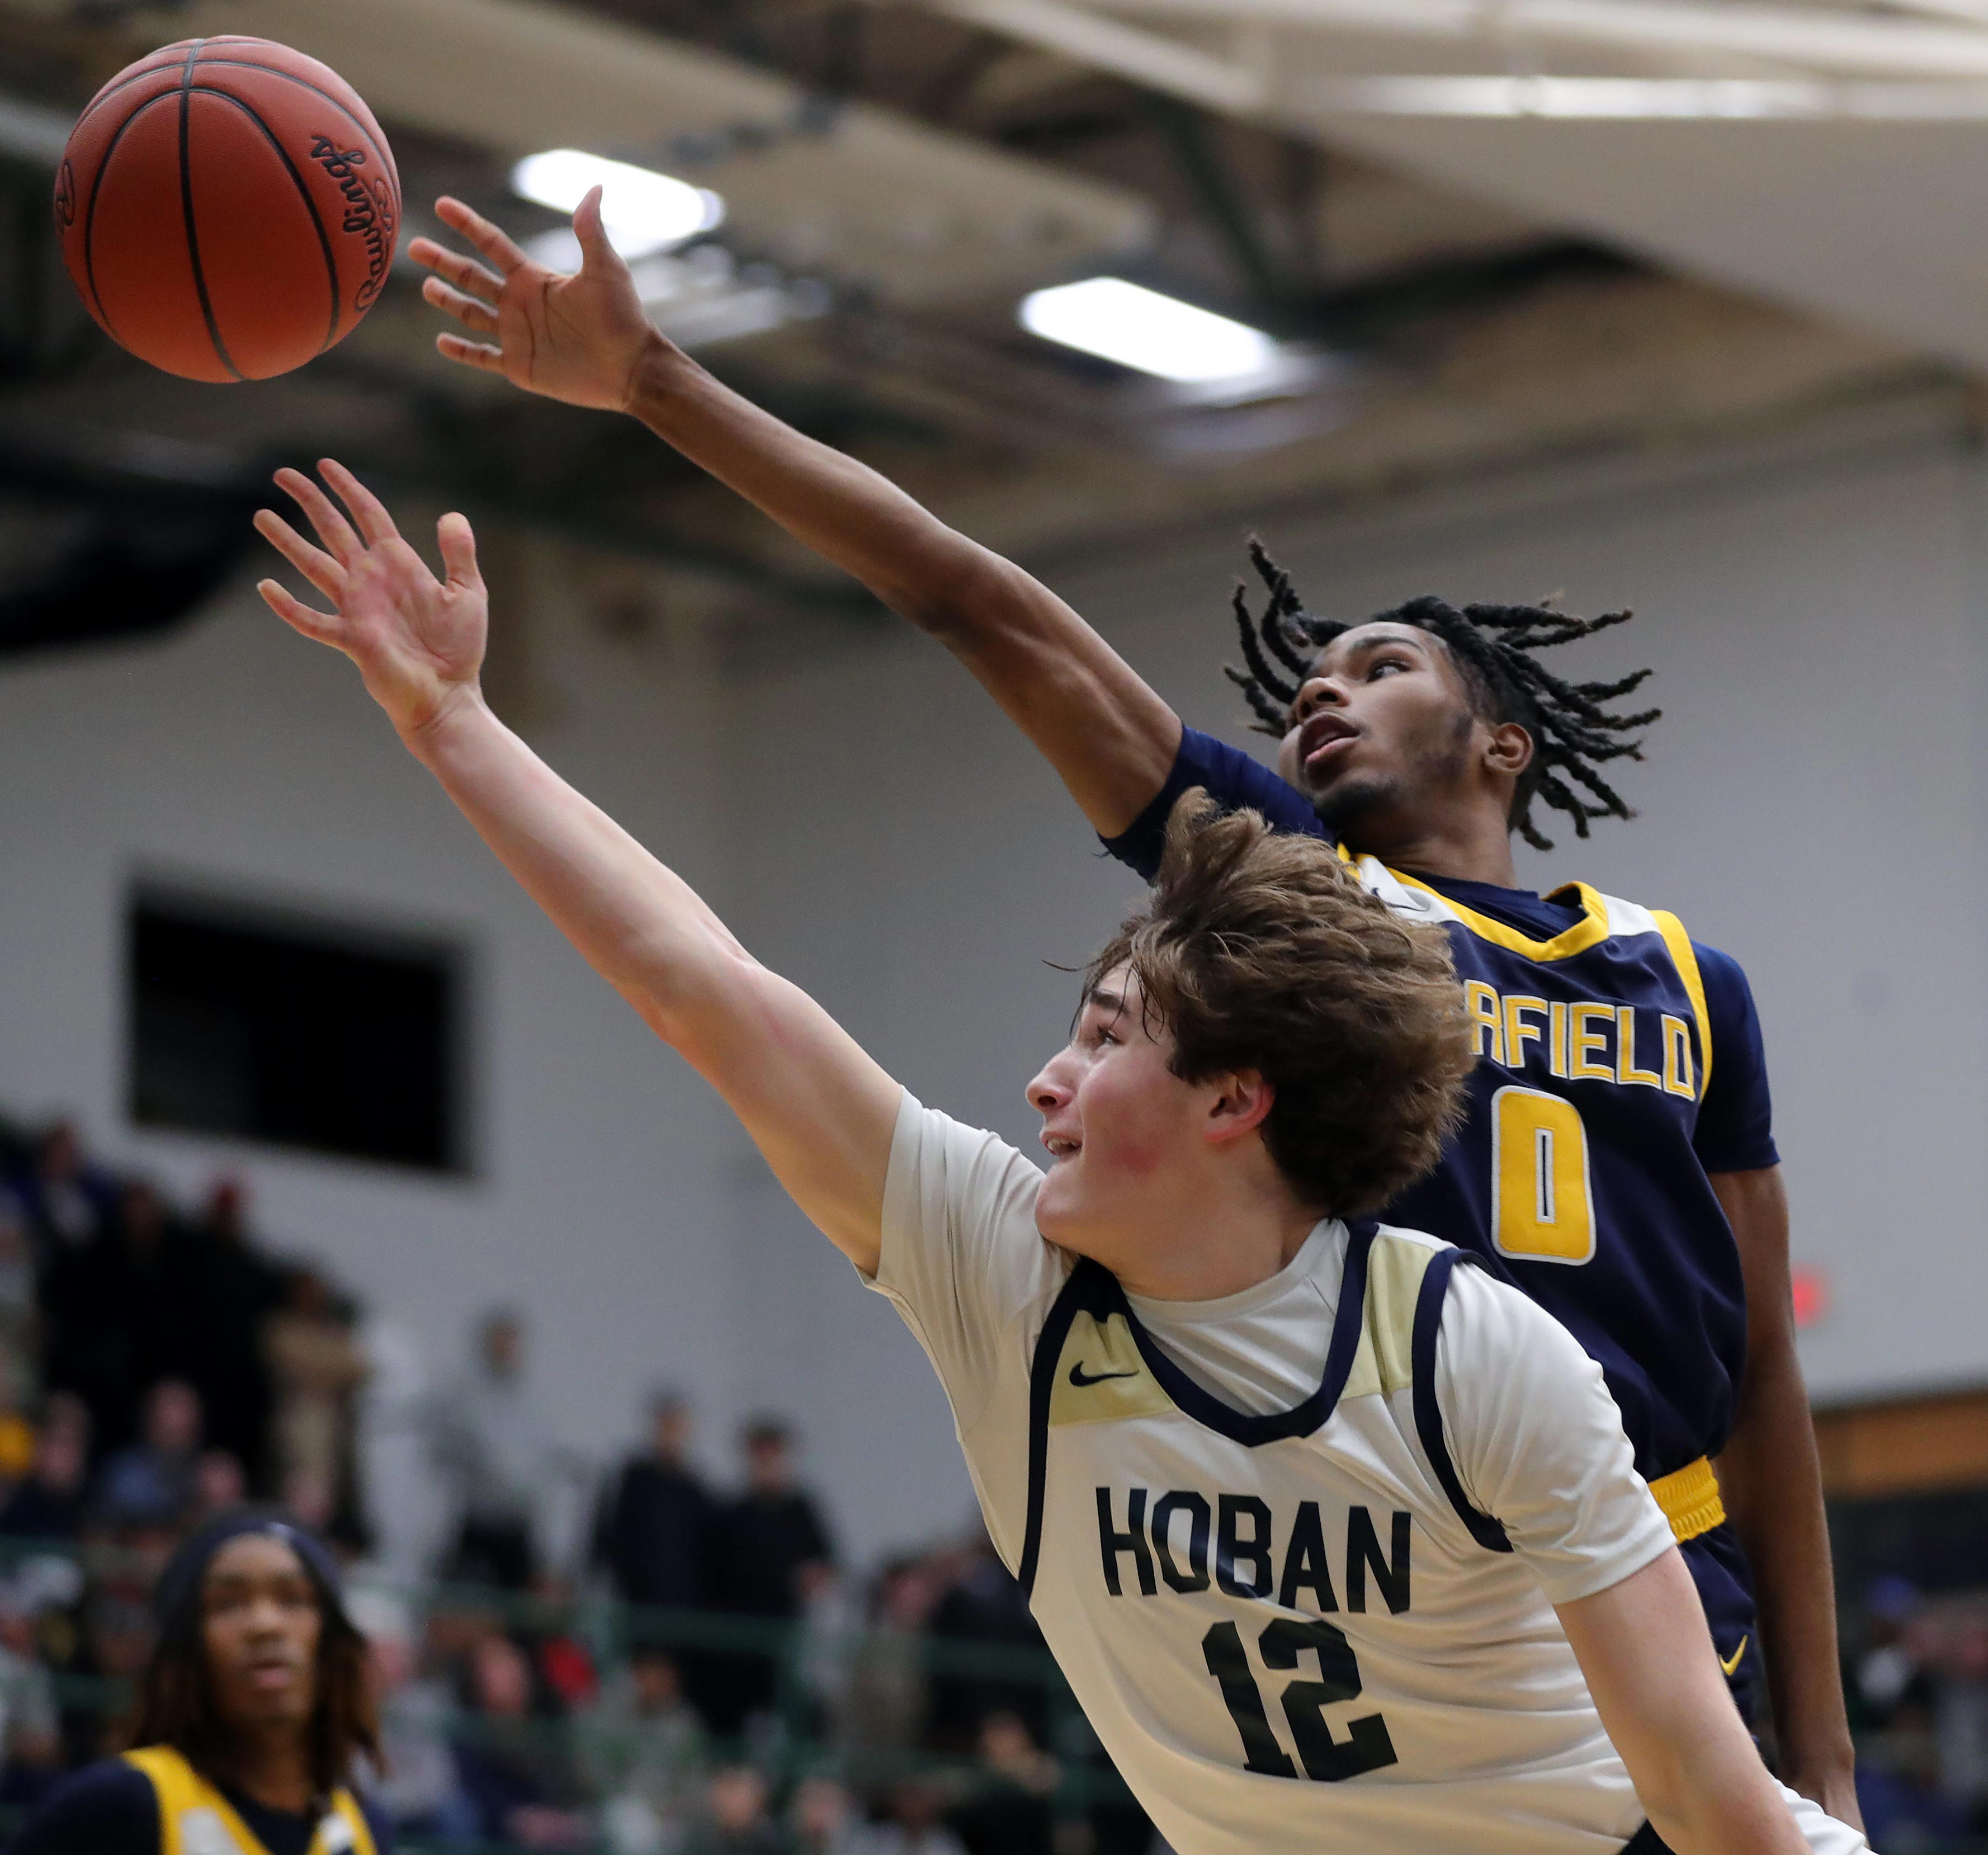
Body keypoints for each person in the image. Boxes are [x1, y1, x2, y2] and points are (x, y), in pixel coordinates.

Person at [405, 193, 1854, 1824]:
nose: (1323, 680)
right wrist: (660, 379)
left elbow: (1767, 1379)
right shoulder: (1294, 906)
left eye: (1380, 663)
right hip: (1404, 1538)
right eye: (1308, 670)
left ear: (1503, 740)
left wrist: (1829, 1743)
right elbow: (978, 602)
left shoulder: (1685, 975)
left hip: (1657, 1571)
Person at [8, 1511, 391, 1853]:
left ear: (335, 1644)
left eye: (293, 1600)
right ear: (184, 1651)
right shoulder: (121, 1804)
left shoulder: (363, 1828)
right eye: (227, 1603)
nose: (265, 1625)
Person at [700, 1418, 834, 1738]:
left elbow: (826, 1566)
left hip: (788, 1640)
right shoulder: (731, 1515)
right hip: (738, 1644)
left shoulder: (802, 1510)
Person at [596, 1389, 712, 1612]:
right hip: (635, 1602)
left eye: (676, 1427)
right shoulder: (634, 1479)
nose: (671, 1435)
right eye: (666, 1426)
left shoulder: (696, 1491)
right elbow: (611, 1534)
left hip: (681, 1607)